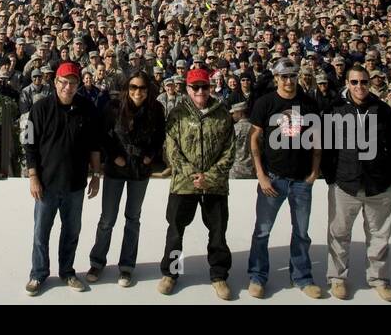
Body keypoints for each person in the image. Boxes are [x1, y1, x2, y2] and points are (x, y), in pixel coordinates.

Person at [322, 63, 391, 302]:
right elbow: (327, 147)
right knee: (339, 233)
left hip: (378, 184)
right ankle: (337, 278)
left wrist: (390, 176)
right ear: (347, 83)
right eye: (354, 82)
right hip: (345, 182)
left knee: (379, 235)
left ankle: (379, 279)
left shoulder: (383, 109)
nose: (359, 86)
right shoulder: (335, 109)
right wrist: (331, 177)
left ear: (370, 83)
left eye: (364, 82)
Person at [247, 58, 325, 298]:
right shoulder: (265, 103)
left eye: (293, 75)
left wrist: (314, 172)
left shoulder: (309, 103)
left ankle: (302, 276)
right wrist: (261, 175)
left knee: (301, 232)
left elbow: (316, 141)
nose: (289, 80)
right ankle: (257, 276)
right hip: (273, 177)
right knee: (262, 231)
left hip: (302, 180)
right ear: (276, 78)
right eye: (284, 76)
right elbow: (254, 139)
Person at [24, 61, 102, 296]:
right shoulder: (39, 109)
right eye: (64, 82)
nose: (68, 87)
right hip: (46, 184)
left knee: (71, 232)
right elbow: (28, 144)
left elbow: (94, 145)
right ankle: (38, 273)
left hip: (75, 185)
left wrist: (96, 174)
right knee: (41, 233)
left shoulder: (88, 108)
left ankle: (67, 271)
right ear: (55, 82)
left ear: (79, 84)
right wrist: (33, 176)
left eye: (73, 82)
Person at [158, 67, 235, 299]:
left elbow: (229, 150)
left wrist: (209, 178)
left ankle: (219, 275)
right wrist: (194, 175)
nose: (201, 91)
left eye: (205, 86)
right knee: (175, 230)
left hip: (215, 185)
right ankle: (172, 273)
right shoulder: (177, 114)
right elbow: (172, 149)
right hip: (184, 184)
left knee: (218, 231)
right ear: (187, 89)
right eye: (195, 87)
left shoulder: (222, 113)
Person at [86, 73, 165, 287]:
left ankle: (127, 266)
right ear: (127, 88)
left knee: (133, 219)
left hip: (140, 171)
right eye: (133, 87)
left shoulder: (156, 109)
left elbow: (160, 136)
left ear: (148, 90)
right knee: (107, 219)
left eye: (142, 88)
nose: (137, 92)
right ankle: (97, 262)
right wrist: (114, 156)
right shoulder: (113, 107)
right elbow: (104, 135)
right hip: (116, 169)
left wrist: (150, 156)